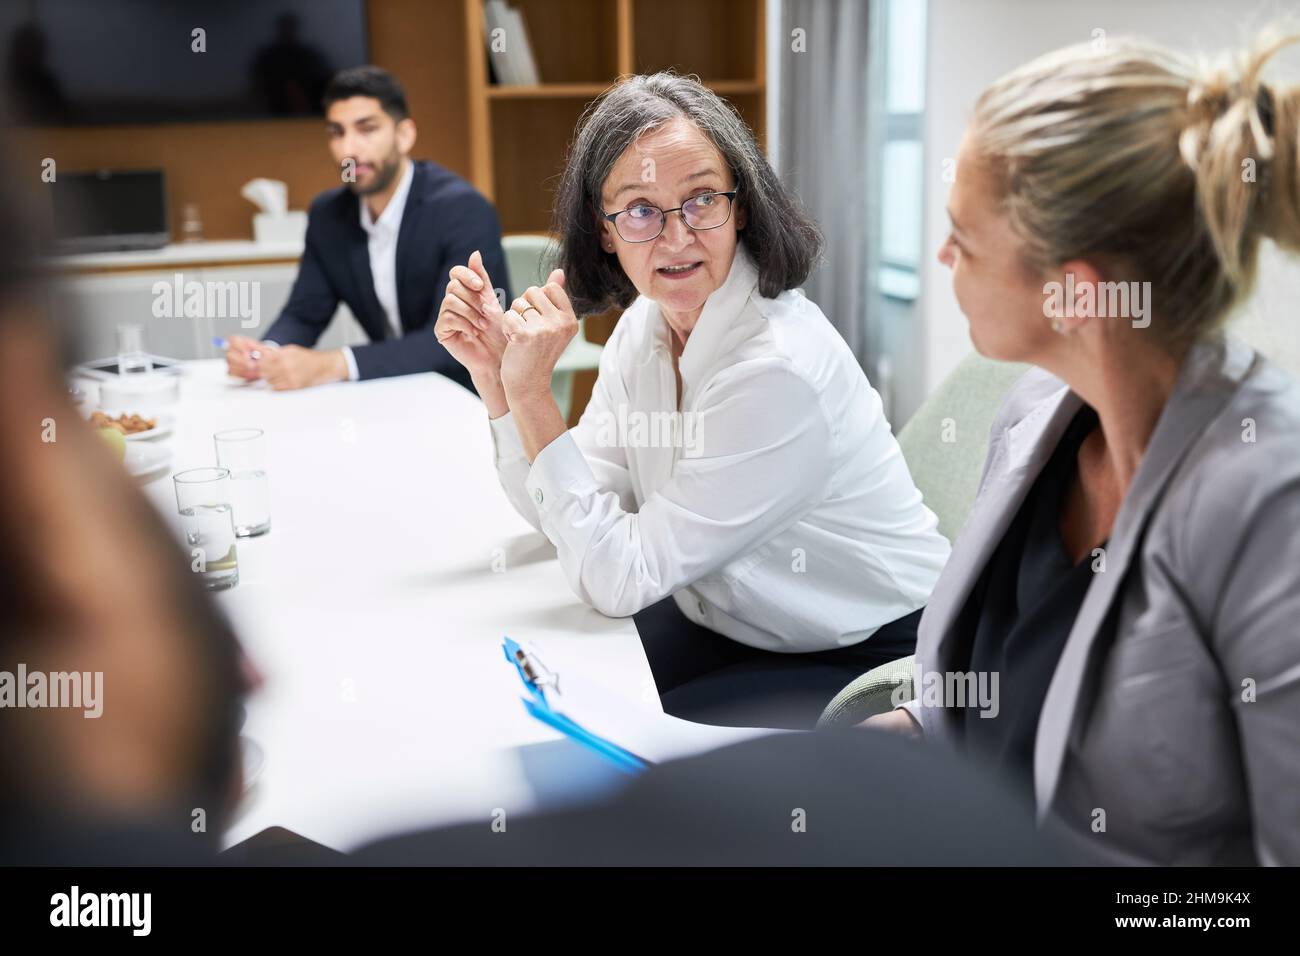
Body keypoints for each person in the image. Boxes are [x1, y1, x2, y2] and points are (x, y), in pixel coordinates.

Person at [866, 29, 1300, 866]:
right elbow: (975, 699)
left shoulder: (1269, 505)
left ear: (1074, 294)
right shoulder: (1038, 410)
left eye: (966, 238)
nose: (942, 255)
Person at [434, 73, 951, 729]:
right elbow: (568, 511)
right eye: (642, 210)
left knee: (604, 736)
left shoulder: (775, 371)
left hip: (861, 647)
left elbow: (618, 578)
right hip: (732, 613)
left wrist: (532, 394)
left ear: (742, 206)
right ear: (603, 230)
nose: (676, 239)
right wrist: (498, 381)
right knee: (522, 685)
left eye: (702, 199)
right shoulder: (644, 327)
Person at [225, 66, 509, 392]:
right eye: (336, 132)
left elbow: (457, 338)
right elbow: (305, 312)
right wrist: (266, 353)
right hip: (386, 392)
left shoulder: (462, 210)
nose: (348, 150)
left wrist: (332, 365)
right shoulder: (328, 215)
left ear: (404, 135)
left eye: (366, 129)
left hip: (468, 397)